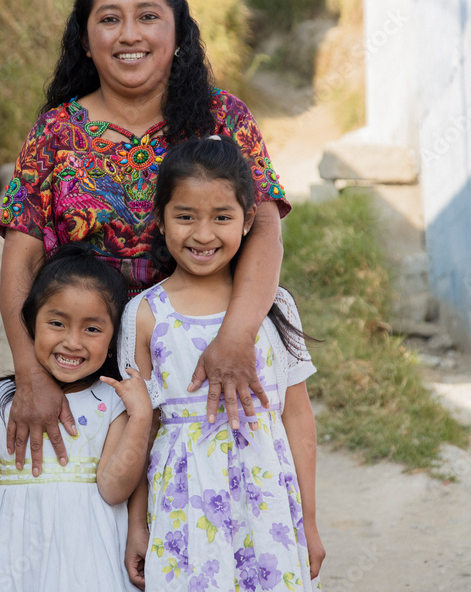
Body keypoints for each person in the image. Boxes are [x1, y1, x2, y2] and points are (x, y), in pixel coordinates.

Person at [0, 0, 292, 477]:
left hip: (202, 363)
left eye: (148, 16)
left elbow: (264, 227)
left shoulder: (224, 120)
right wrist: (31, 375)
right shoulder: (55, 133)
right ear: (85, 41)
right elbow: (20, 263)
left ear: (178, 31)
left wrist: (236, 337)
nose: (128, 34)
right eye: (109, 19)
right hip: (88, 373)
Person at [119, 136, 324, 590]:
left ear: (249, 220)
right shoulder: (147, 314)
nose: (203, 234)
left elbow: (297, 416)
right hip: (183, 507)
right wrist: (136, 525)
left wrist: (308, 521)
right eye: (185, 216)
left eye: (222, 217)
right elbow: (139, 425)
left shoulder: (273, 307)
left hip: (268, 503)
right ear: (160, 219)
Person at [0, 244, 153, 591]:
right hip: (13, 565)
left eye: (92, 329)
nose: (72, 342)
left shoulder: (113, 402)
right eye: (56, 323)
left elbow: (115, 489)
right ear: (31, 322)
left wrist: (141, 416)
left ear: (113, 339)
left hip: (92, 567)